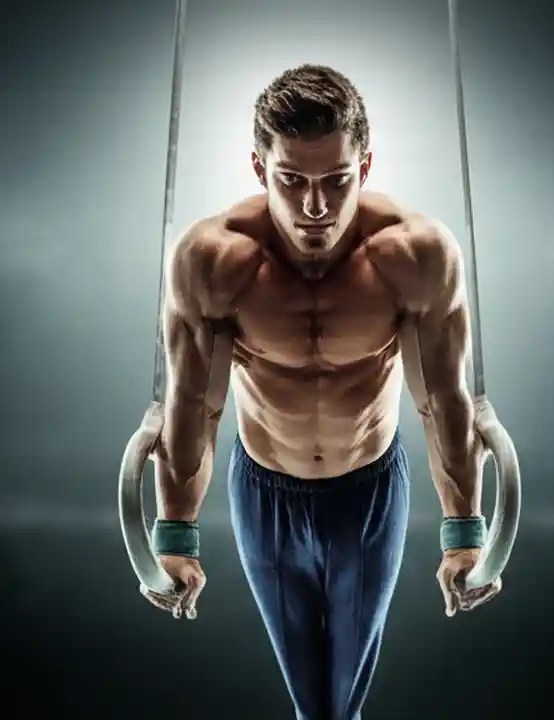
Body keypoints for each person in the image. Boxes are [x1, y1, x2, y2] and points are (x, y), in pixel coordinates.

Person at [140, 63, 502, 720]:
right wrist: (177, 536)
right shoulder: (214, 261)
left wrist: (463, 532)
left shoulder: (415, 256)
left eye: (337, 182)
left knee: (335, 708)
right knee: (315, 703)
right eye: (292, 181)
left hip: (368, 492)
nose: (316, 206)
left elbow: (442, 400)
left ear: (366, 167)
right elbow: (195, 403)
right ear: (258, 167)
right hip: (264, 492)